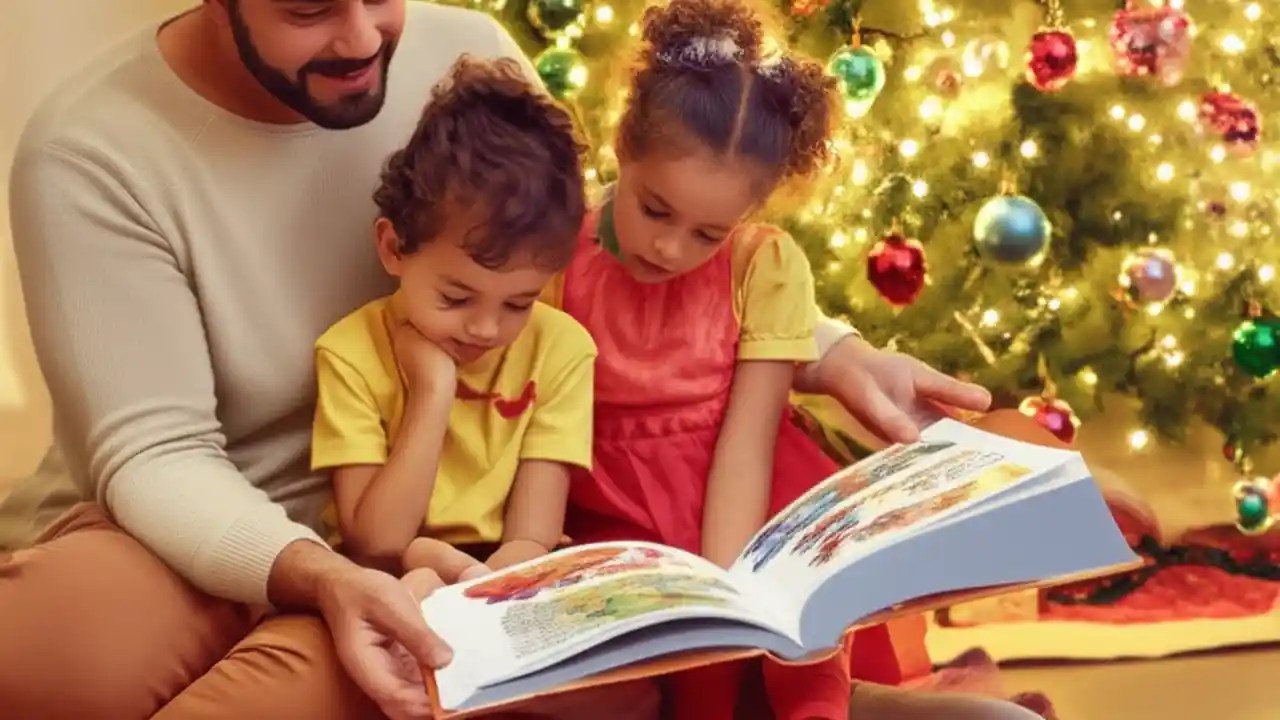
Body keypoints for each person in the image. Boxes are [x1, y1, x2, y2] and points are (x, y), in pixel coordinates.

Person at [0, 0, 992, 718]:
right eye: (308, 9)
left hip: (427, 532)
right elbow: (157, 454)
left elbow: (598, 246)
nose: (360, 37)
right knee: (35, 669)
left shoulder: (461, 51)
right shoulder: (94, 149)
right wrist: (322, 576)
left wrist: (830, 350)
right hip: (181, 528)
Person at [538, 1, 1041, 719]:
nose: (671, 248)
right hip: (612, 516)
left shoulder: (762, 266)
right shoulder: (558, 255)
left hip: (746, 502)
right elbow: (540, 428)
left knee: (797, 651)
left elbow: (746, 442)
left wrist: (727, 592)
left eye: (708, 232)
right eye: (655, 210)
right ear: (622, 143)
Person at [313, 56, 591, 585]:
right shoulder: (350, 353)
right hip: (378, 573)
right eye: (457, 297)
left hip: (504, 571)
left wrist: (475, 586)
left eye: (518, 304)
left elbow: (532, 536)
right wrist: (433, 392)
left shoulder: (562, 349)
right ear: (394, 248)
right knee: (415, 581)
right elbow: (376, 543)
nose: (485, 329)